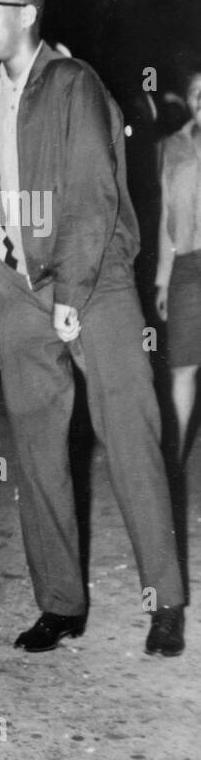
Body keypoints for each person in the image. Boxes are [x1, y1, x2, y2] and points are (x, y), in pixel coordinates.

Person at [0, 0, 185, 657]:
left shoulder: (76, 84)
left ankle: (165, 600)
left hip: (97, 280)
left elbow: (93, 194)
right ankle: (60, 603)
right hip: (18, 289)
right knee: (36, 449)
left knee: (132, 436)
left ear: (26, 14)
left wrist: (73, 294)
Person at [155, 65, 201, 465]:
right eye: (196, 92)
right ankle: (176, 461)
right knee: (182, 367)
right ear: (188, 101)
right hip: (187, 267)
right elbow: (166, 217)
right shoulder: (172, 146)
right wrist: (163, 281)